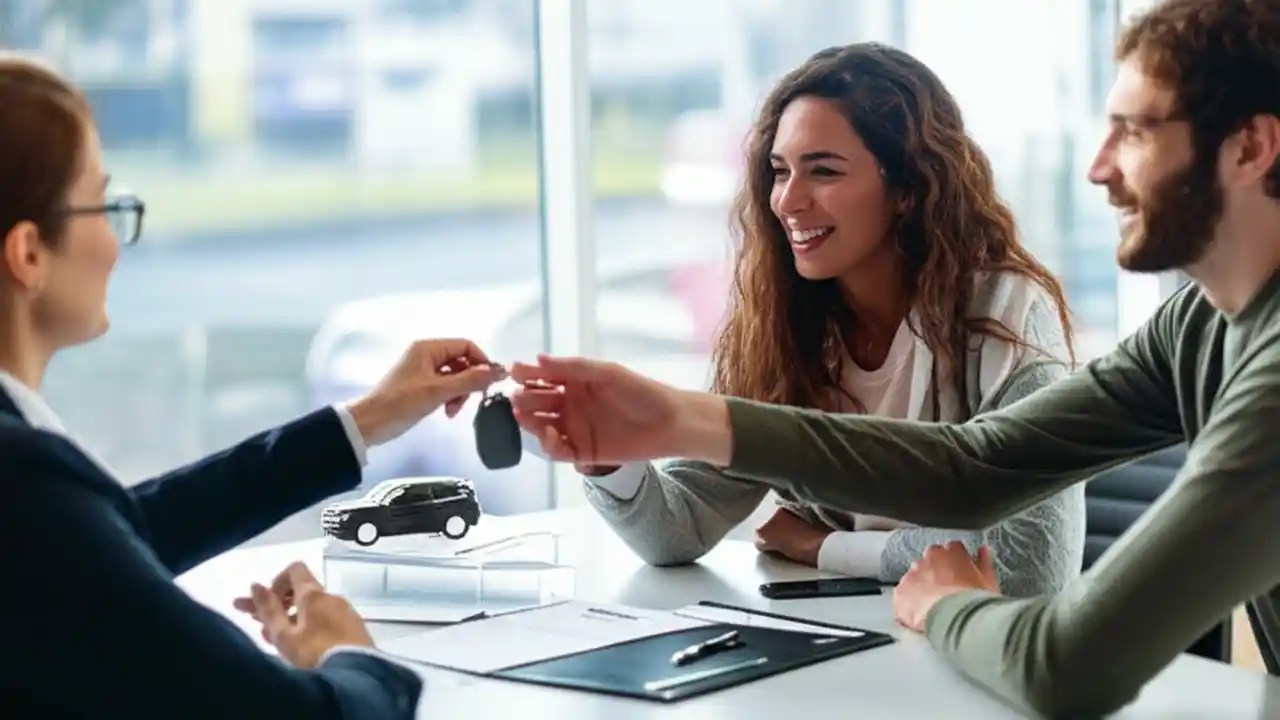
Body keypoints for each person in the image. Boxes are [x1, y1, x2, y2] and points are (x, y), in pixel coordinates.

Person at [508, 0, 1280, 715]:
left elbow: (1065, 664)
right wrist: (676, 422)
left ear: (1252, 146)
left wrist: (940, 600)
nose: (1099, 167)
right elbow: (976, 468)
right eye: (779, 170)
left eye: (1135, 131)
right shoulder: (1200, 323)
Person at [0, 57, 503, 718]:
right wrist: (354, 656)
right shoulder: (22, 482)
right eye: (105, 202)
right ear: (29, 253)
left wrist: (366, 419)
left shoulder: (32, 492)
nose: (118, 241)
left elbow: (108, 537)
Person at [578, 43, 1084, 596]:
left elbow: (1029, 562)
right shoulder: (785, 324)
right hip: (848, 643)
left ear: (908, 190)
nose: (787, 201)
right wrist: (607, 458)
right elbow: (679, 527)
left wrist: (827, 548)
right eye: (779, 171)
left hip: (973, 655)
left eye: (823, 171)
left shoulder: (1006, 313)